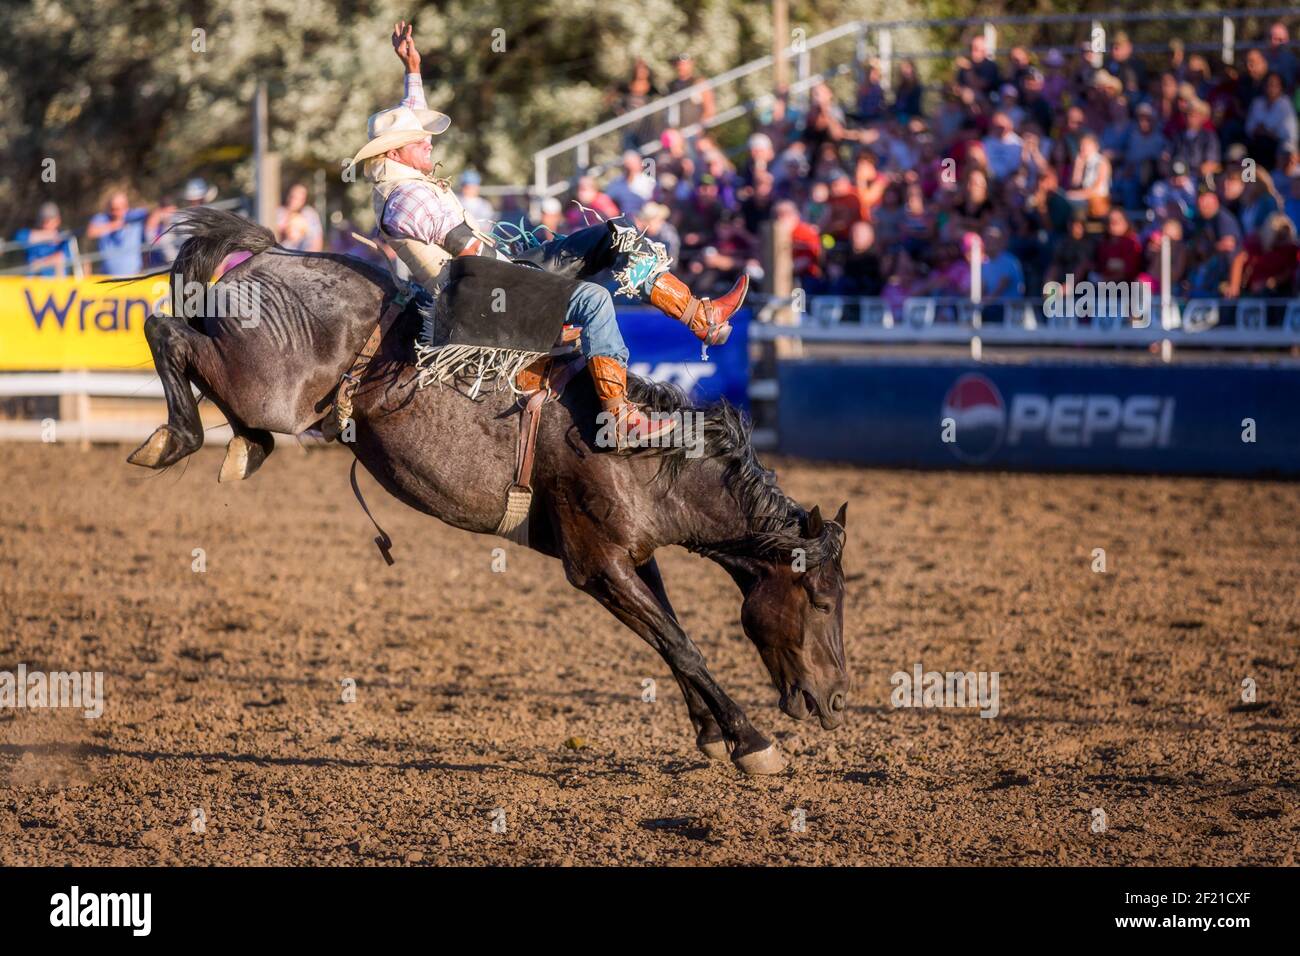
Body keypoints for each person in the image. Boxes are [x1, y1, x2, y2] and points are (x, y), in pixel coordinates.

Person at [349, 23, 746, 445]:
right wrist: (543, 288)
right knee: (592, 300)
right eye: (419, 139)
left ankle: (701, 317)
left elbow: (414, 122)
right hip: (475, 299)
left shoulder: (402, 177)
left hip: (489, 278)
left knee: (616, 235)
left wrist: (412, 69)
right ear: (395, 153)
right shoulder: (409, 198)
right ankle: (621, 418)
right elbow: (474, 252)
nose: (429, 143)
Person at [86, 189, 162, 276]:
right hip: (108, 277)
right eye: (112, 209)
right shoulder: (102, 218)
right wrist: (117, 225)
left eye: (118, 208)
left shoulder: (135, 215)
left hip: (135, 275)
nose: (115, 212)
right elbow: (91, 232)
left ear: (126, 207)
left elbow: (154, 214)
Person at [14, 202, 74, 277]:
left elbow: (63, 257)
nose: (47, 223)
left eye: (51, 220)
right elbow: (19, 237)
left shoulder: (64, 240)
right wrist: (45, 236)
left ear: (58, 220)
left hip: (57, 284)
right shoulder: (29, 236)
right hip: (34, 283)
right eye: (45, 220)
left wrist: (41, 263)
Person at [603, 149, 655, 218]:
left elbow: (650, 202)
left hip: (643, 218)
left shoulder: (648, 182)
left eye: (633, 164)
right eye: (627, 164)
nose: (629, 167)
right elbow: (607, 199)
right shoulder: (617, 182)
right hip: (622, 218)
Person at [275, 182, 324, 252]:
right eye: (292, 196)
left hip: (303, 257)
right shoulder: (279, 213)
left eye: (297, 198)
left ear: (303, 200)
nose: (293, 200)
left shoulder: (310, 214)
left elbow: (317, 242)